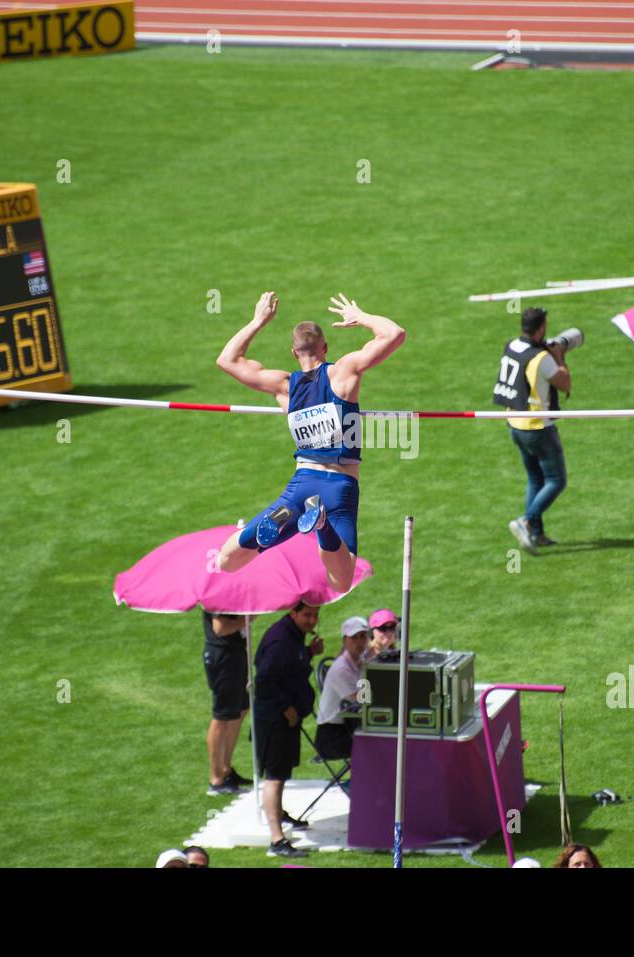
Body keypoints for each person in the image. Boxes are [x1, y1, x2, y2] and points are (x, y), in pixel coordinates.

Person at [215, 292, 406, 591]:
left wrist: (257, 321)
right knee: (342, 582)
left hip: (301, 484)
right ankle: (322, 525)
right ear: (325, 347)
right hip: (339, 487)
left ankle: (286, 518)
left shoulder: (283, 387)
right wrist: (361, 317)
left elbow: (227, 360)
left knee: (226, 562)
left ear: (294, 353)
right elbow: (394, 334)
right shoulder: (344, 372)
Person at [495, 307, 572, 554]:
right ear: (540, 328)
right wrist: (560, 357)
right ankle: (527, 520)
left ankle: (536, 534)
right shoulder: (542, 358)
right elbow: (564, 382)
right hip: (537, 427)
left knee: (535, 478)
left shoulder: (511, 346)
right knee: (556, 480)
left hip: (514, 423)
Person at [252, 601, 324, 858]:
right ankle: (276, 839)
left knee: (281, 774)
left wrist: (309, 652)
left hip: (284, 720)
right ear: (293, 613)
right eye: (307, 615)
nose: (312, 620)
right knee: (274, 776)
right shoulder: (281, 640)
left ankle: (278, 815)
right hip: (274, 721)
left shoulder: (293, 637)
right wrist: (286, 708)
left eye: (315, 615)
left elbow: (288, 668)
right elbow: (263, 680)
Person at [201, 611, 253, 796]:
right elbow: (220, 628)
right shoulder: (217, 592)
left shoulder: (230, 587)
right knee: (222, 716)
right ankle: (216, 780)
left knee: (240, 710)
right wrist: (248, 619)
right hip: (222, 656)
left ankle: (226, 770)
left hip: (234, 653)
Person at [314, 616, 370, 761]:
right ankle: (362, 782)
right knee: (379, 743)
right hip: (332, 738)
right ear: (344, 641)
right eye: (354, 638)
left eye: (363, 636)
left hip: (348, 729)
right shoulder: (341, 669)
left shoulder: (360, 662)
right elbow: (362, 699)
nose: (359, 642)